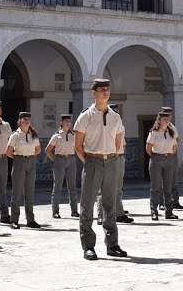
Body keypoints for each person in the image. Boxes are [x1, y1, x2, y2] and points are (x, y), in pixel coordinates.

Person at [73, 78, 128, 260]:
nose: (106, 92)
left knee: (110, 205)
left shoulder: (115, 116)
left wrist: (110, 157)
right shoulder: (86, 116)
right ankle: (88, 247)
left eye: (108, 89)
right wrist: (90, 161)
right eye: (102, 89)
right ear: (94, 93)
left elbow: (118, 143)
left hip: (111, 161)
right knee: (87, 205)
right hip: (93, 162)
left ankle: (112, 245)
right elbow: (78, 145)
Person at [6, 111, 42, 229]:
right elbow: (8, 152)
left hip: (31, 162)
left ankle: (30, 220)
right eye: (24, 119)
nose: (27, 121)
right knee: (17, 193)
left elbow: (38, 149)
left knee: (30, 192)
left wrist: (30, 155)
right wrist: (19, 158)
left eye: (28, 119)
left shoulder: (33, 134)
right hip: (19, 162)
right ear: (20, 121)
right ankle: (14, 220)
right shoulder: (15, 135)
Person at [45, 113, 79, 219]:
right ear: (61, 122)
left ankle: (74, 210)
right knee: (57, 186)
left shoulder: (73, 135)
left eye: (69, 121)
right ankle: (55, 211)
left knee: (72, 186)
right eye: (66, 121)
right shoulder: (57, 136)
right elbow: (47, 150)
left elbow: (78, 147)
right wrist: (55, 160)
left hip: (71, 160)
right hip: (59, 160)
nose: (68, 123)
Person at [146, 112, 179, 220]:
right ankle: (154, 211)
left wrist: (170, 154)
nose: (167, 120)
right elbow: (148, 147)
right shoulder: (154, 132)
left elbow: (175, 145)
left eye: (168, 119)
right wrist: (156, 156)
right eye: (164, 119)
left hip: (169, 159)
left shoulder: (171, 131)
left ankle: (169, 212)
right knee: (155, 187)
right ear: (159, 120)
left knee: (168, 187)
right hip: (157, 159)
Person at [160, 106, 183, 211]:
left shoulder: (172, 127)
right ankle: (162, 202)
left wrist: (171, 147)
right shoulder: (158, 127)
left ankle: (175, 201)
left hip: (172, 155)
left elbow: (177, 139)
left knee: (173, 179)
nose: (168, 117)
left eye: (169, 115)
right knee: (163, 180)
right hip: (161, 155)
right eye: (166, 114)